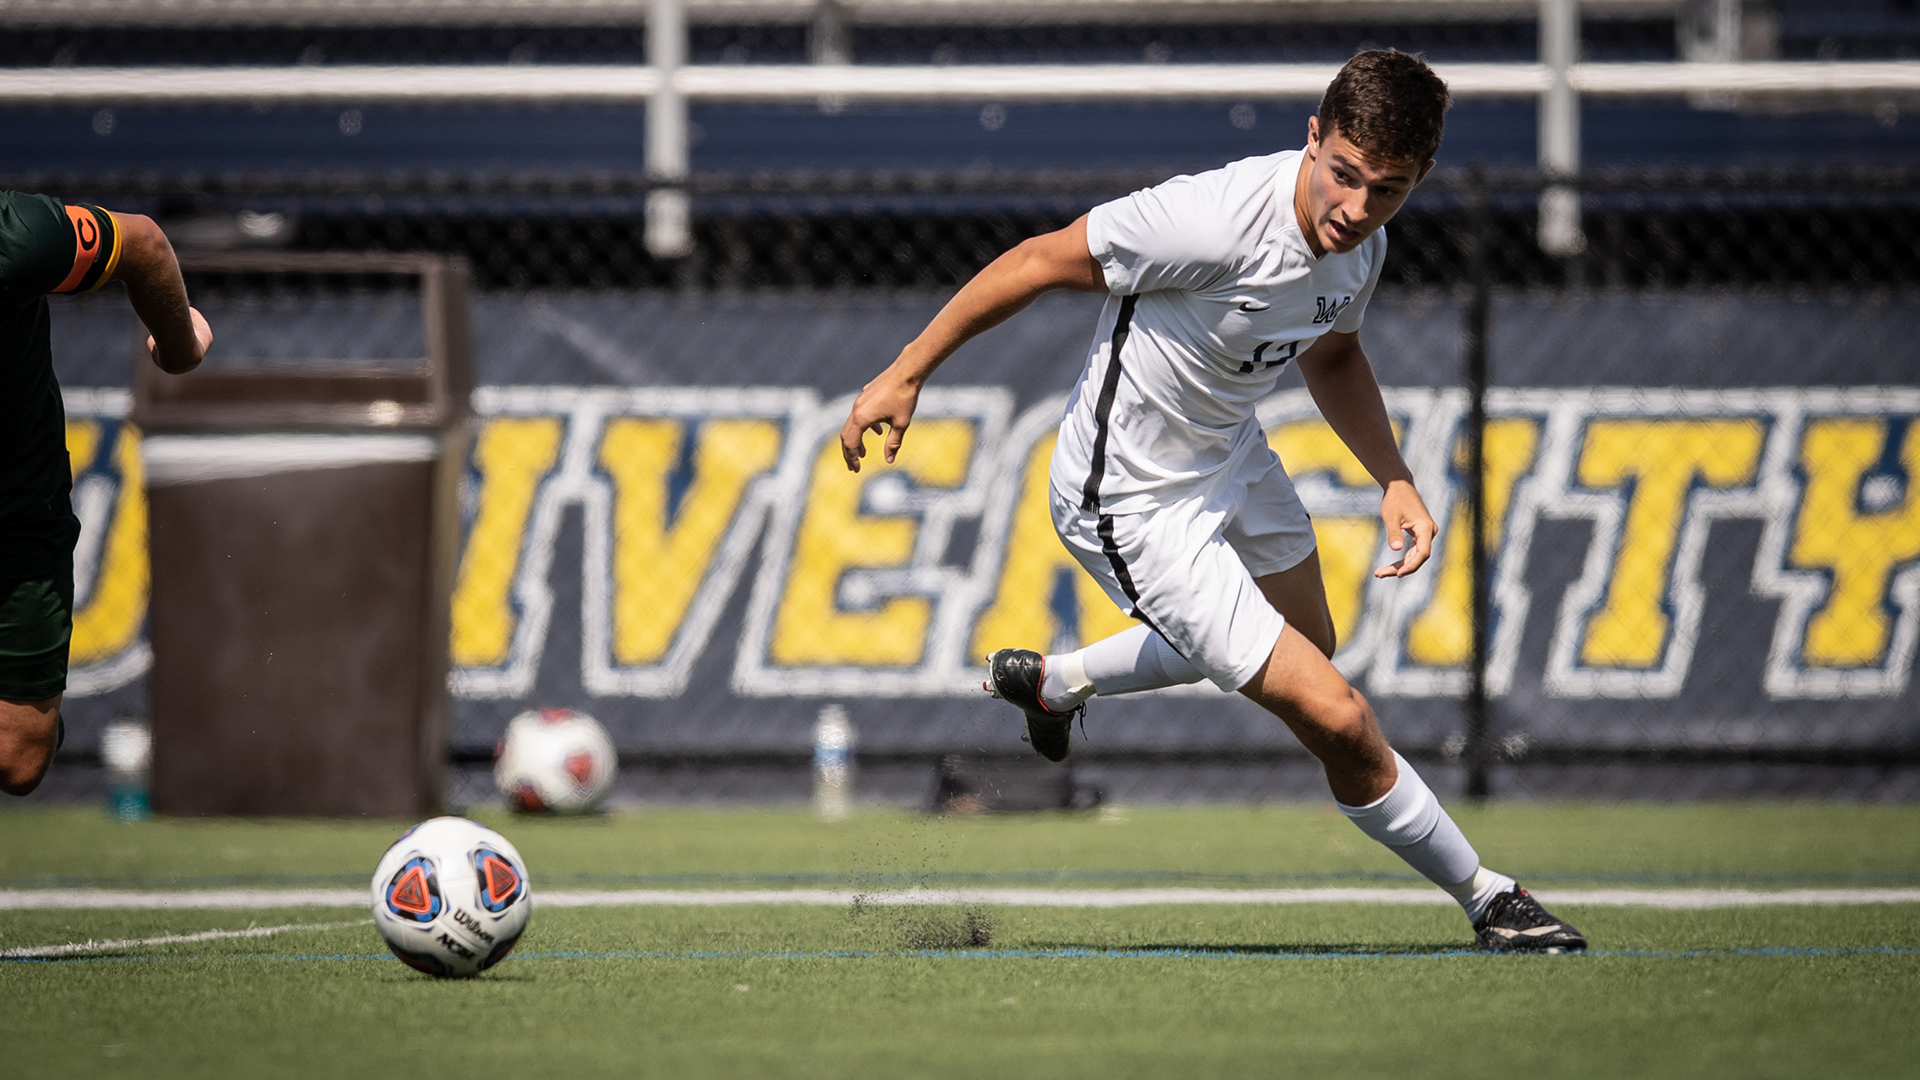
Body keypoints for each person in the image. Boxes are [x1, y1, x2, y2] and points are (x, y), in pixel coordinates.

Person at [839, 50, 1584, 952]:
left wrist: (1394, 476)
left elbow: (1335, 354)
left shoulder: (1364, 242)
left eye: (1384, 190)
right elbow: (1037, 261)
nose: (1353, 208)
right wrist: (905, 373)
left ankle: (1056, 685)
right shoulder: (1208, 220)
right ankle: (1490, 897)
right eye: (1342, 174)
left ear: (1417, 179)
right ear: (1312, 139)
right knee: (1338, 717)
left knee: (1309, 647)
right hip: (1127, 497)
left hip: (1229, 456)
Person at [0, 192, 212, 796]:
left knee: (19, 757)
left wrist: (179, 347)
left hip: (16, 507)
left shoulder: (17, 236)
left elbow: (142, 243)